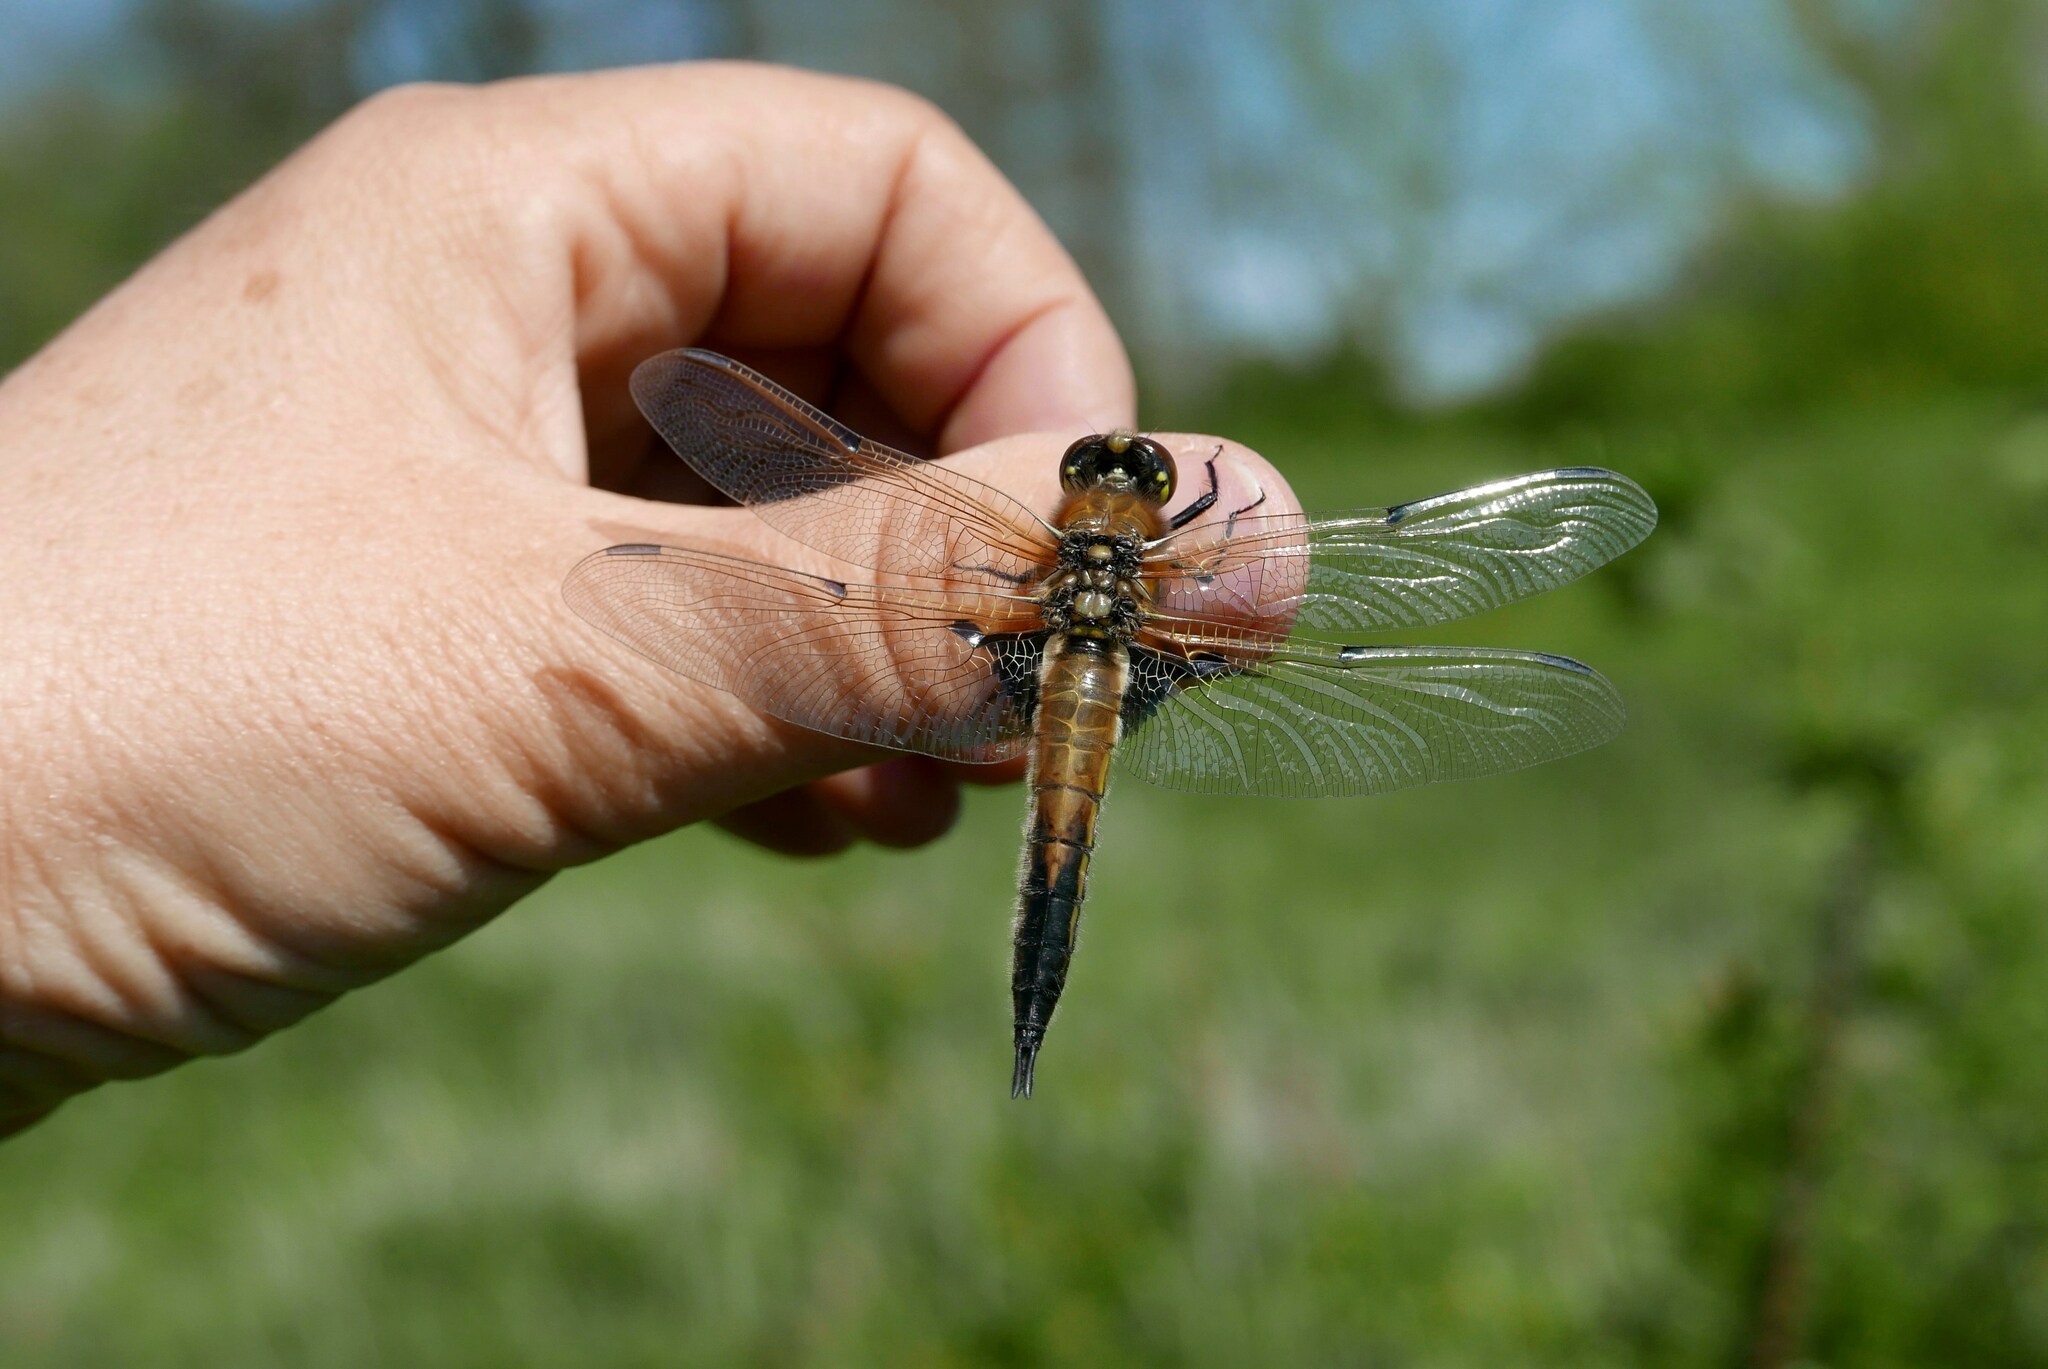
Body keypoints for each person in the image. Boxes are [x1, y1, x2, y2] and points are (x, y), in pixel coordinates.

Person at [0, 63, 1289, 1136]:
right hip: (1087, 684)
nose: (1112, 476)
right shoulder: (1162, 550)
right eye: (1101, 467)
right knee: (1057, 841)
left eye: (1129, 474)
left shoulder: (1034, 543)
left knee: (1045, 844)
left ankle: (1030, 1004)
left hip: (1054, 682)